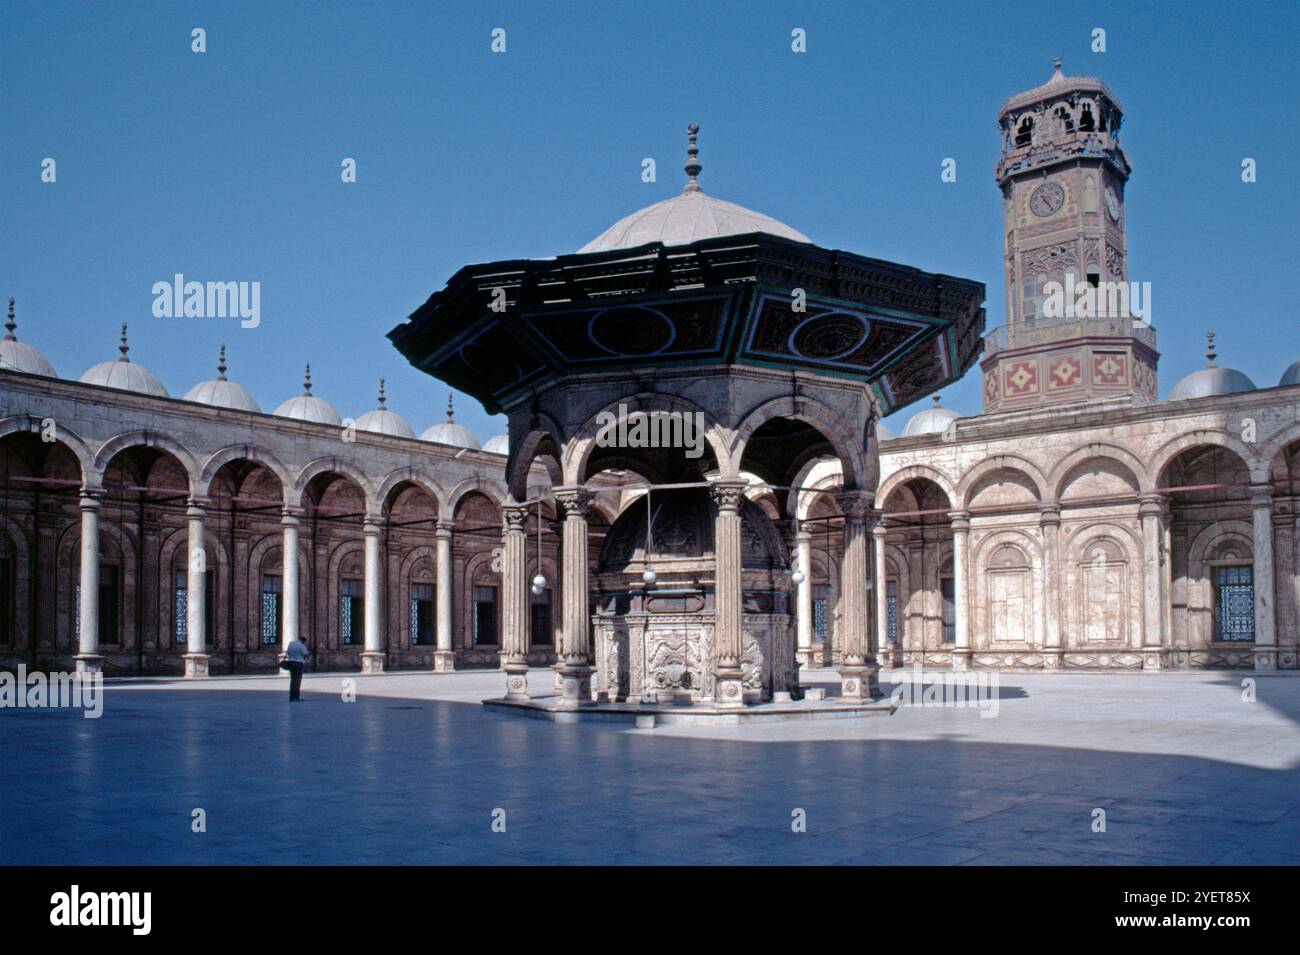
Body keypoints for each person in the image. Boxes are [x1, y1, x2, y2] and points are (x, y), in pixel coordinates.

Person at [284, 637, 309, 701]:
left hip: (291, 663)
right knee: (297, 681)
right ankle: (296, 697)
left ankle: (291, 696)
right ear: (303, 641)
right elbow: (306, 654)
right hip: (298, 664)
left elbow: (288, 652)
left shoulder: (291, 644)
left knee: (293, 680)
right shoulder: (302, 646)